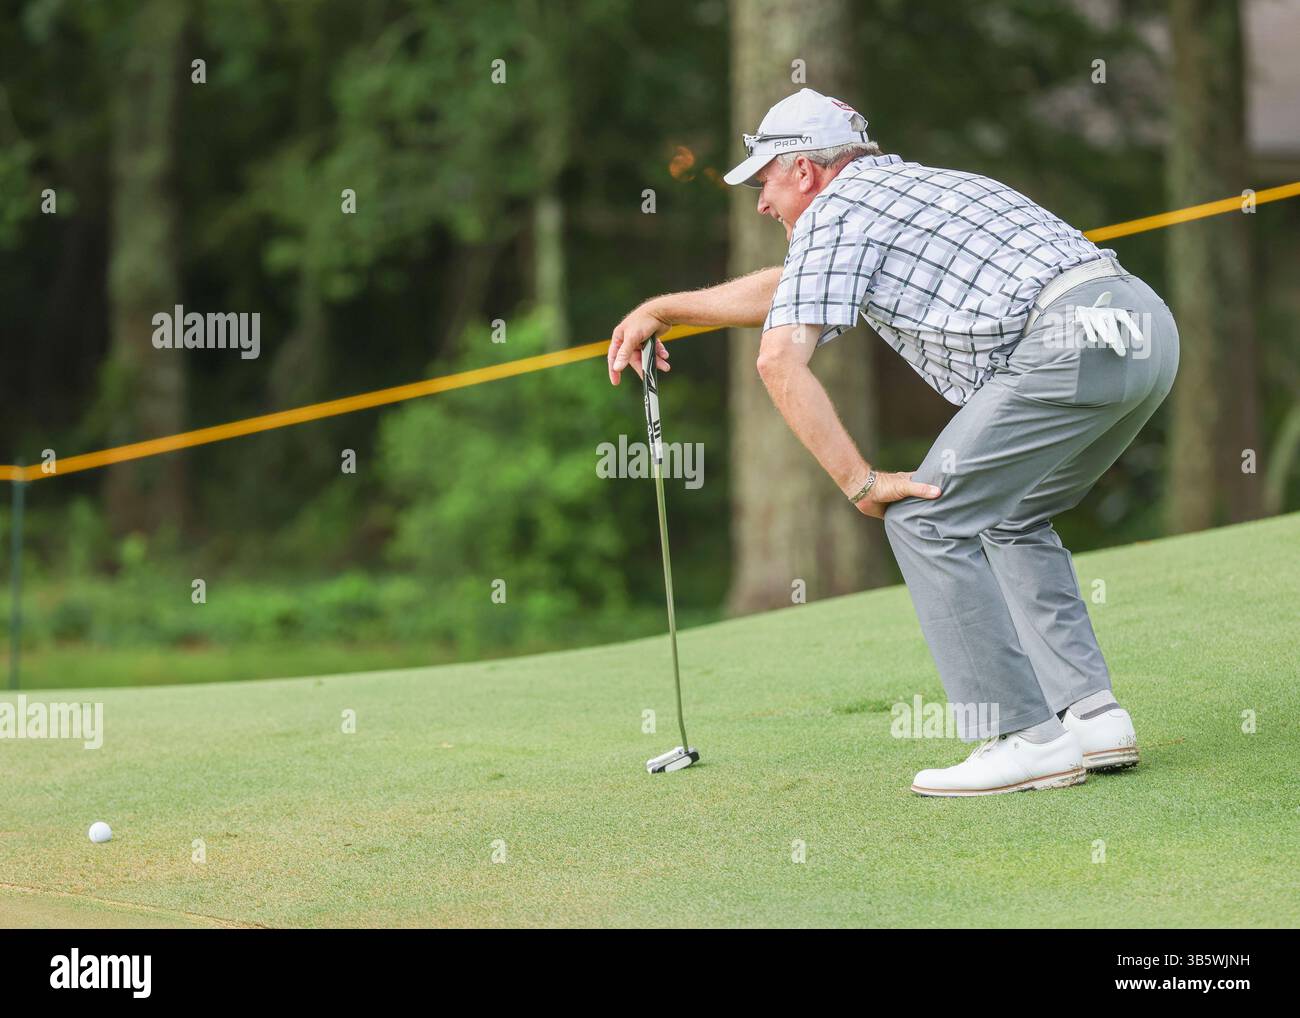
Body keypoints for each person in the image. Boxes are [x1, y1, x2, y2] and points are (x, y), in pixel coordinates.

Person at [607, 88, 1179, 796]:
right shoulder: (911, 187)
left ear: (805, 172)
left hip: (1064, 347)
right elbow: (790, 289)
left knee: (923, 515)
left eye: (764, 181)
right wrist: (664, 309)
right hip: (1144, 330)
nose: (761, 202)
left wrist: (861, 482)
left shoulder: (836, 212)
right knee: (1009, 512)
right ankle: (1093, 718)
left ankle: (1024, 738)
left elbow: (778, 360)